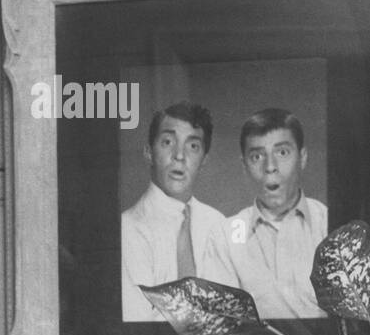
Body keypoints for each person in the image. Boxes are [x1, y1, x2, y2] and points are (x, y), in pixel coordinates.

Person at [200, 108, 328, 319]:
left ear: (302, 158)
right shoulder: (224, 236)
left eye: (282, 152)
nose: (270, 166)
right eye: (257, 156)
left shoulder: (329, 224)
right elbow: (221, 325)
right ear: (244, 166)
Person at [121, 102, 226, 321]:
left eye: (193, 146)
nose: (179, 155)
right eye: (168, 142)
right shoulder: (128, 228)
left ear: (204, 159)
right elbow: (137, 323)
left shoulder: (217, 224)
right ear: (149, 151)